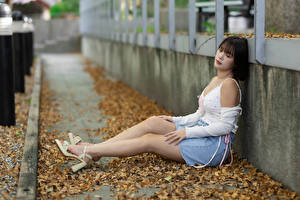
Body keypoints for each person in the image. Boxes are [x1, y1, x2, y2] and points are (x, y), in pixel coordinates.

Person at [56, 36, 249, 172]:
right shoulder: (216, 80)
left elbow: (225, 127)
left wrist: (186, 132)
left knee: (149, 140)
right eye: (221, 50)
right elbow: (201, 114)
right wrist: (174, 119)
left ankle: (89, 150)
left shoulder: (230, 85)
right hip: (200, 130)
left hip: (212, 148)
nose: (221, 56)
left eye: (228, 55)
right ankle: (94, 150)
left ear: (236, 62)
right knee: (152, 123)